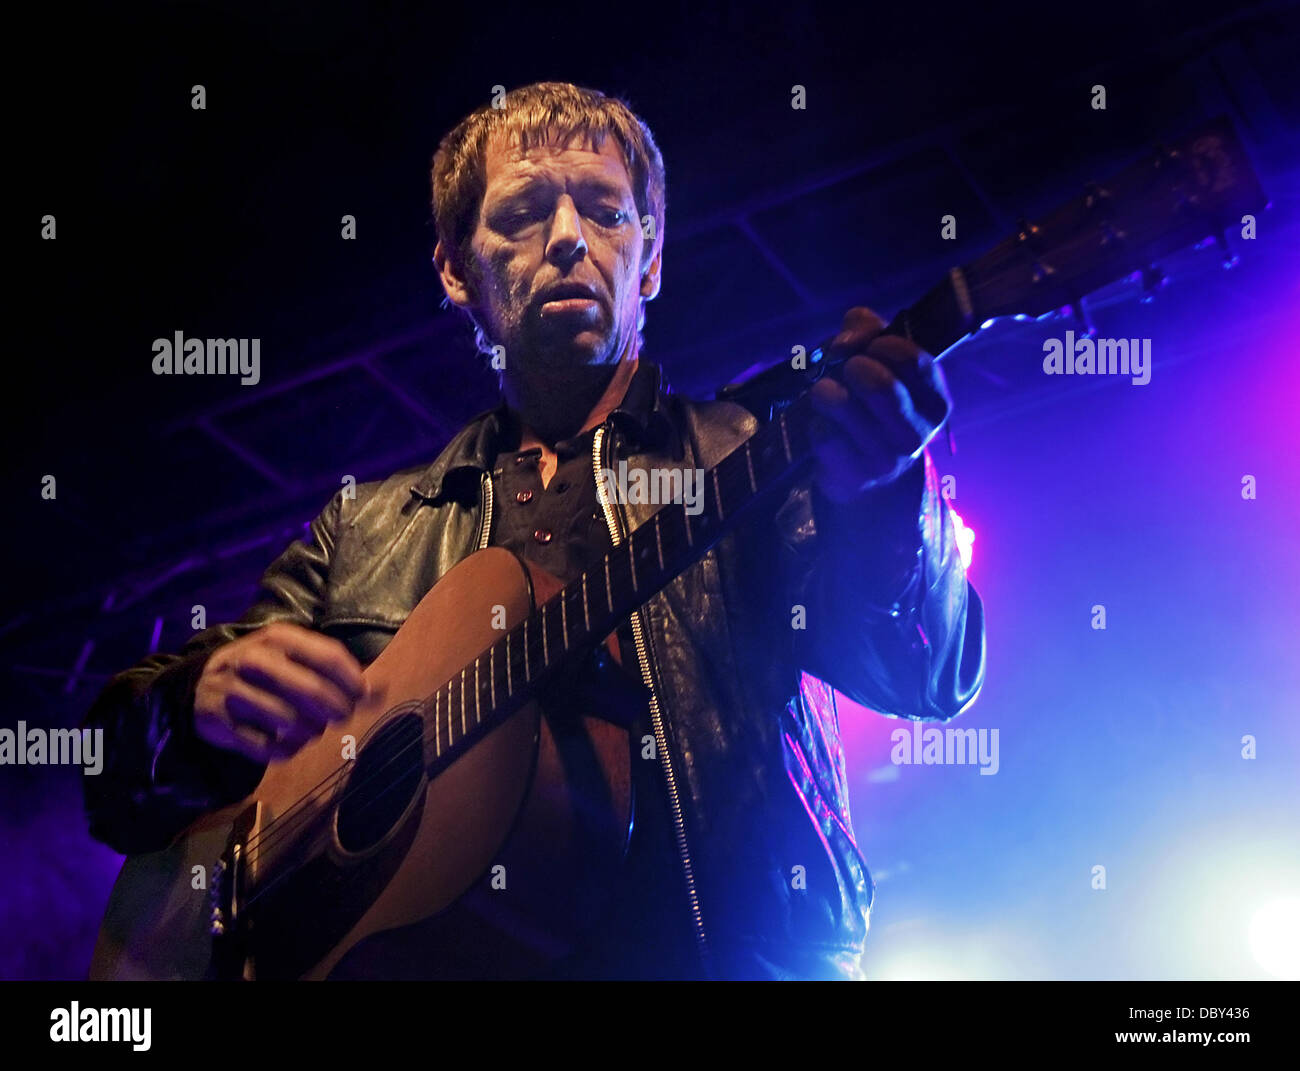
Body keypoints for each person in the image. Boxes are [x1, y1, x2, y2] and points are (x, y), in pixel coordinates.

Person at [83, 81, 986, 980]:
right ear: (453, 270)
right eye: (520, 214)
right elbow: (110, 777)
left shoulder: (746, 457)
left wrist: (883, 495)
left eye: (604, 209)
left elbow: (927, 673)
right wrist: (188, 707)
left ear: (653, 257)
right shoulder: (364, 530)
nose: (566, 237)